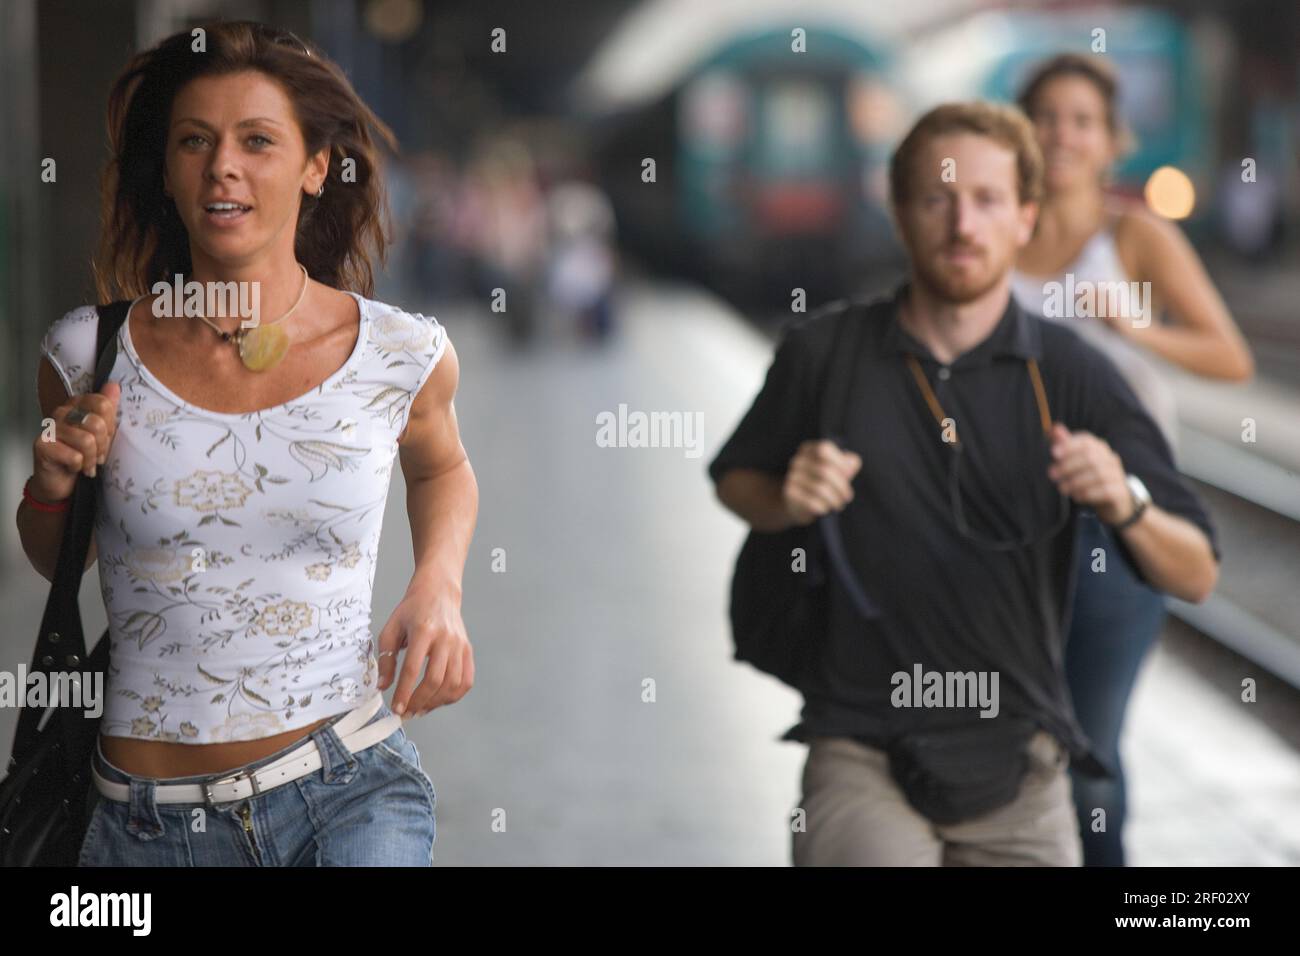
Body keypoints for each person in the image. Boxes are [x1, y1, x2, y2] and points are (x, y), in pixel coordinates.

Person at [709, 101, 1221, 866]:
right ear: (899, 212)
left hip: (1023, 756)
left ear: (1024, 217)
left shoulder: (1074, 373)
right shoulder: (824, 353)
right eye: (937, 198)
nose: (962, 225)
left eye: (987, 200)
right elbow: (734, 477)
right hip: (859, 745)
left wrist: (1126, 502)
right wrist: (785, 500)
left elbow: (1198, 572)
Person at [15, 21, 478, 866]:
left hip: (349, 793)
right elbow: (59, 561)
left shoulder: (397, 354)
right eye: (195, 141)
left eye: (257, 141)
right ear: (168, 169)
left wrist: (438, 587)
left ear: (313, 169)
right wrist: (50, 486)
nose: (222, 164)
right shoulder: (89, 356)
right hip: (142, 825)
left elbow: (442, 464)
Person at [1009, 53, 1253, 866]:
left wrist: (1136, 329)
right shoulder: (994, 224)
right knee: (1005, 742)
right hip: (1000, 517)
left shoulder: (1136, 237)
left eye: (1081, 120)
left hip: (1118, 518)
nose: (1061, 135)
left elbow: (1229, 356)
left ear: (1112, 139)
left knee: (1090, 753)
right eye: (1045, 116)